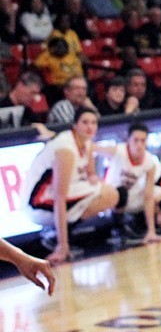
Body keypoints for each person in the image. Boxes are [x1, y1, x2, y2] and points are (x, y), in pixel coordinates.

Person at [22, 107, 119, 264]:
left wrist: (93, 177)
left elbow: (91, 173)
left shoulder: (86, 142)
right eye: (85, 122)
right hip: (37, 203)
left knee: (109, 193)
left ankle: (56, 233)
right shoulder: (66, 149)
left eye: (93, 123)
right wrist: (63, 245)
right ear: (75, 125)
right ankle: (57, 237)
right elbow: (60, 197)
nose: (90, 127)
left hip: (52, 195)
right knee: (109, 194)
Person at [98, 121, 161, 246]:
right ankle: (118, 229)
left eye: (143, 141)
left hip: (131, 198)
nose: (139, 145)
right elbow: (92, 148)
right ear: (128, 140)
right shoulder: (118, 150)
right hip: (109, 199)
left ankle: (143, 226)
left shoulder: (149, 161)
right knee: (121, 193)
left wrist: (151, 231)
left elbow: (148, 196)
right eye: (136, 140)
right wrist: (91, 173)